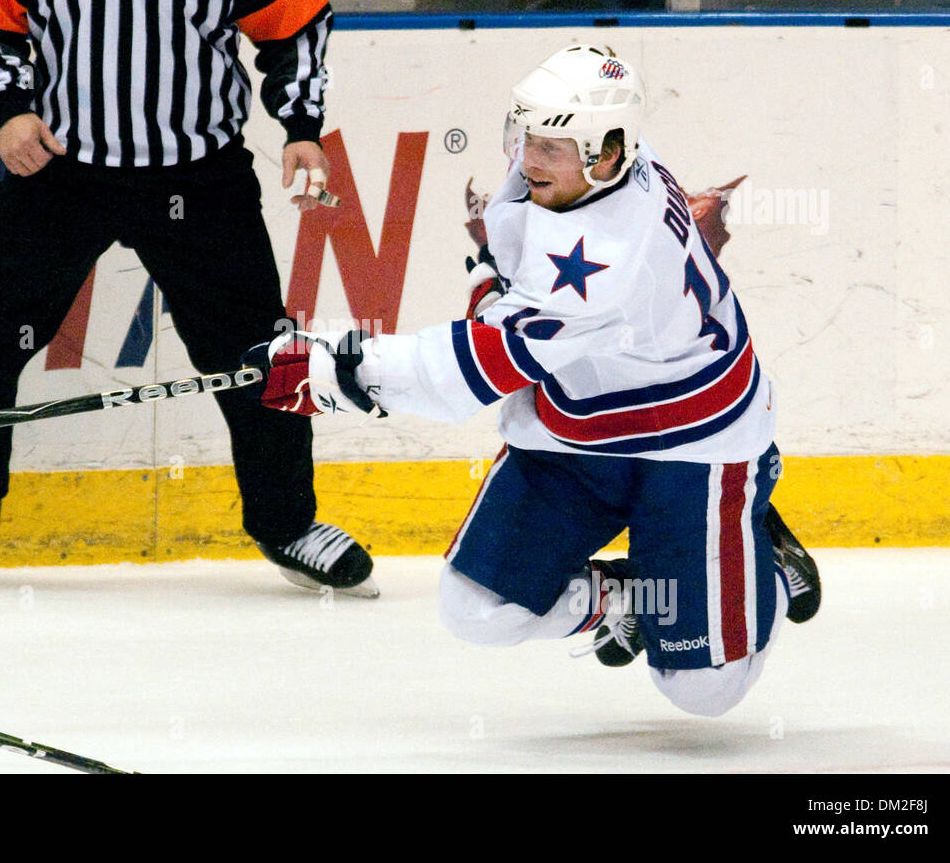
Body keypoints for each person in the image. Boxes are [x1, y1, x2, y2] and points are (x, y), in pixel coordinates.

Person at [249, 46, 821, 717]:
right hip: (575, 432)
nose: (528, 158)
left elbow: (478, 370)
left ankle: (765, 557)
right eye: (526, 135)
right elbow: (519, 280)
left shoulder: (611, 259)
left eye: (552, 143)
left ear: (607, 154)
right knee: (478, 609)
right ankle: (630, 603)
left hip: (691, 447)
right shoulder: (602, 162)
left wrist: (341, 370)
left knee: (703, 690)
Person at [0, 0, 376, 595]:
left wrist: (300, 124)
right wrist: (11, 109)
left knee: (258, 348)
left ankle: (287, 522)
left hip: (198, 172)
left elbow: (295, 19)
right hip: (63, 166)